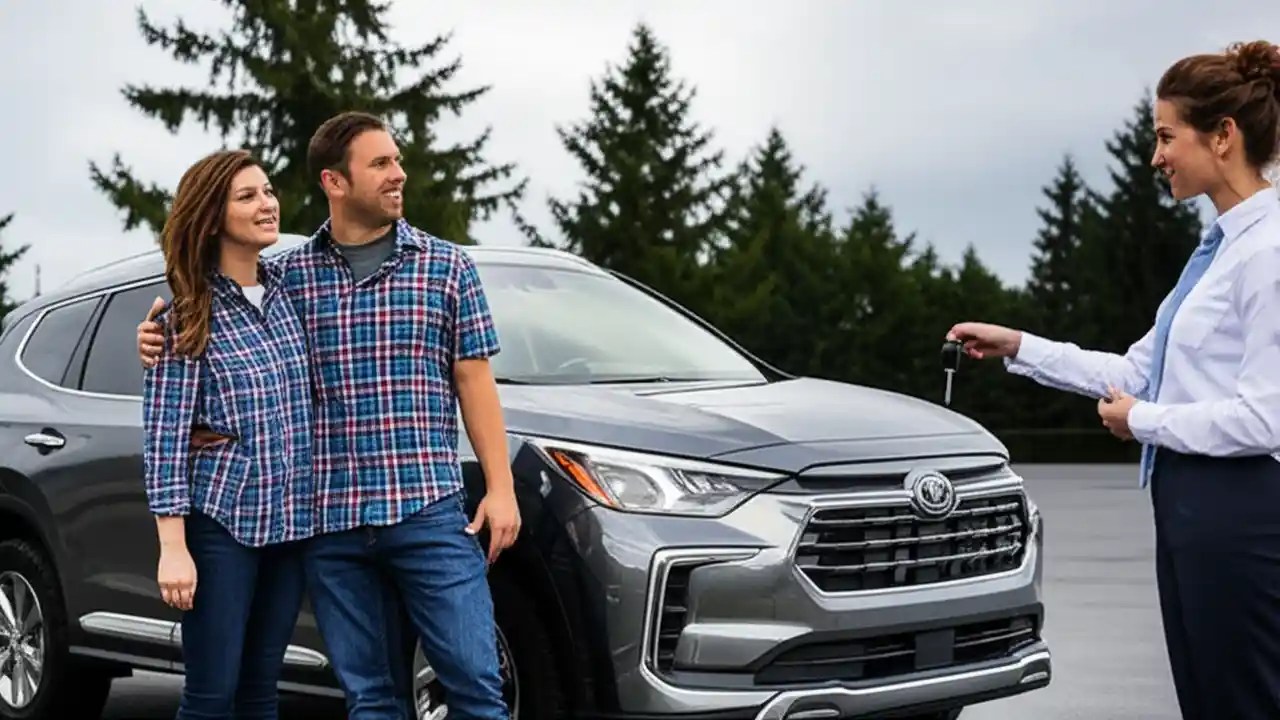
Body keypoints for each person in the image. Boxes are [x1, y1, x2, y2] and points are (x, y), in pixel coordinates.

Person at [138, 111, 518, 720]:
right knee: (366, 698)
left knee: (474, 685)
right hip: (325, 523)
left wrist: (501, 488)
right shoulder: (286, 280)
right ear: (335, 183)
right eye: (381, 163)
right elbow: (178, 400)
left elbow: (474, 381)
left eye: (397, 160)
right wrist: (156, 338)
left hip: (417, 510)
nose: (399, 174)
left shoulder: (442, 268)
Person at [948, 40, 1280, 720]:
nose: (1155, 156)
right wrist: (1020, 345)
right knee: (1209, 697)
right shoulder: (1219, 253)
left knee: (1243, 700)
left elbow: (1267, 418)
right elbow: (1138, 372)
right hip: (1192, 506)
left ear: (1223, 137)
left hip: (1240, 512)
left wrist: (1143, 422)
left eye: (1166, 136)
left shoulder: (1269, 254)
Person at [142, 148, 316, 719]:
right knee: (212, 695)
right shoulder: (186, 318)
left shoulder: (293, 291)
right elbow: (165, 438)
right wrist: (174, 550)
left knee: (262, 692)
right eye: (247, 196)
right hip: (223, 528)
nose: (267, 204)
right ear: (214, 218)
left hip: (290, 527)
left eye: (267, 190)